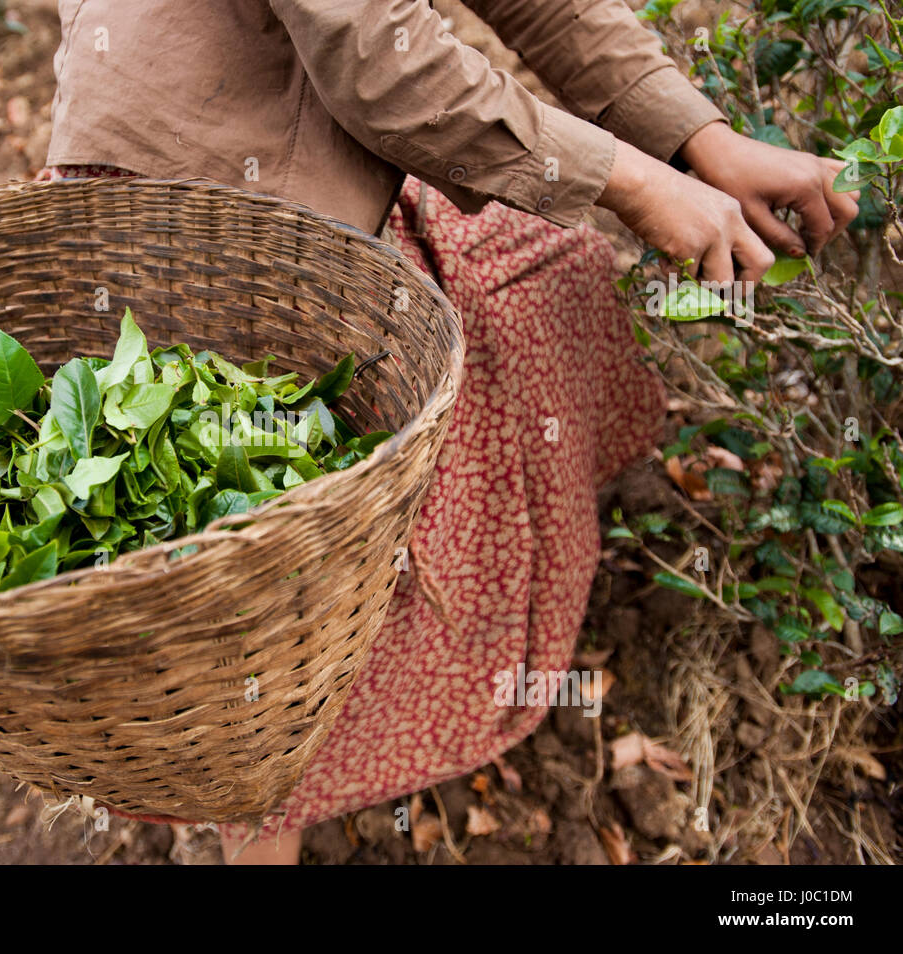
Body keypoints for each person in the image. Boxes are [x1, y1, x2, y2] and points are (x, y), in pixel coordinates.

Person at [42, 0, 859, 864]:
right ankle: (256, 807)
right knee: (272, 560)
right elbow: (378, 56)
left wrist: (700, 137)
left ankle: (367, 719)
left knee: (547, 291)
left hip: (322, 139)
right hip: (201, 199)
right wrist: (636, 182)